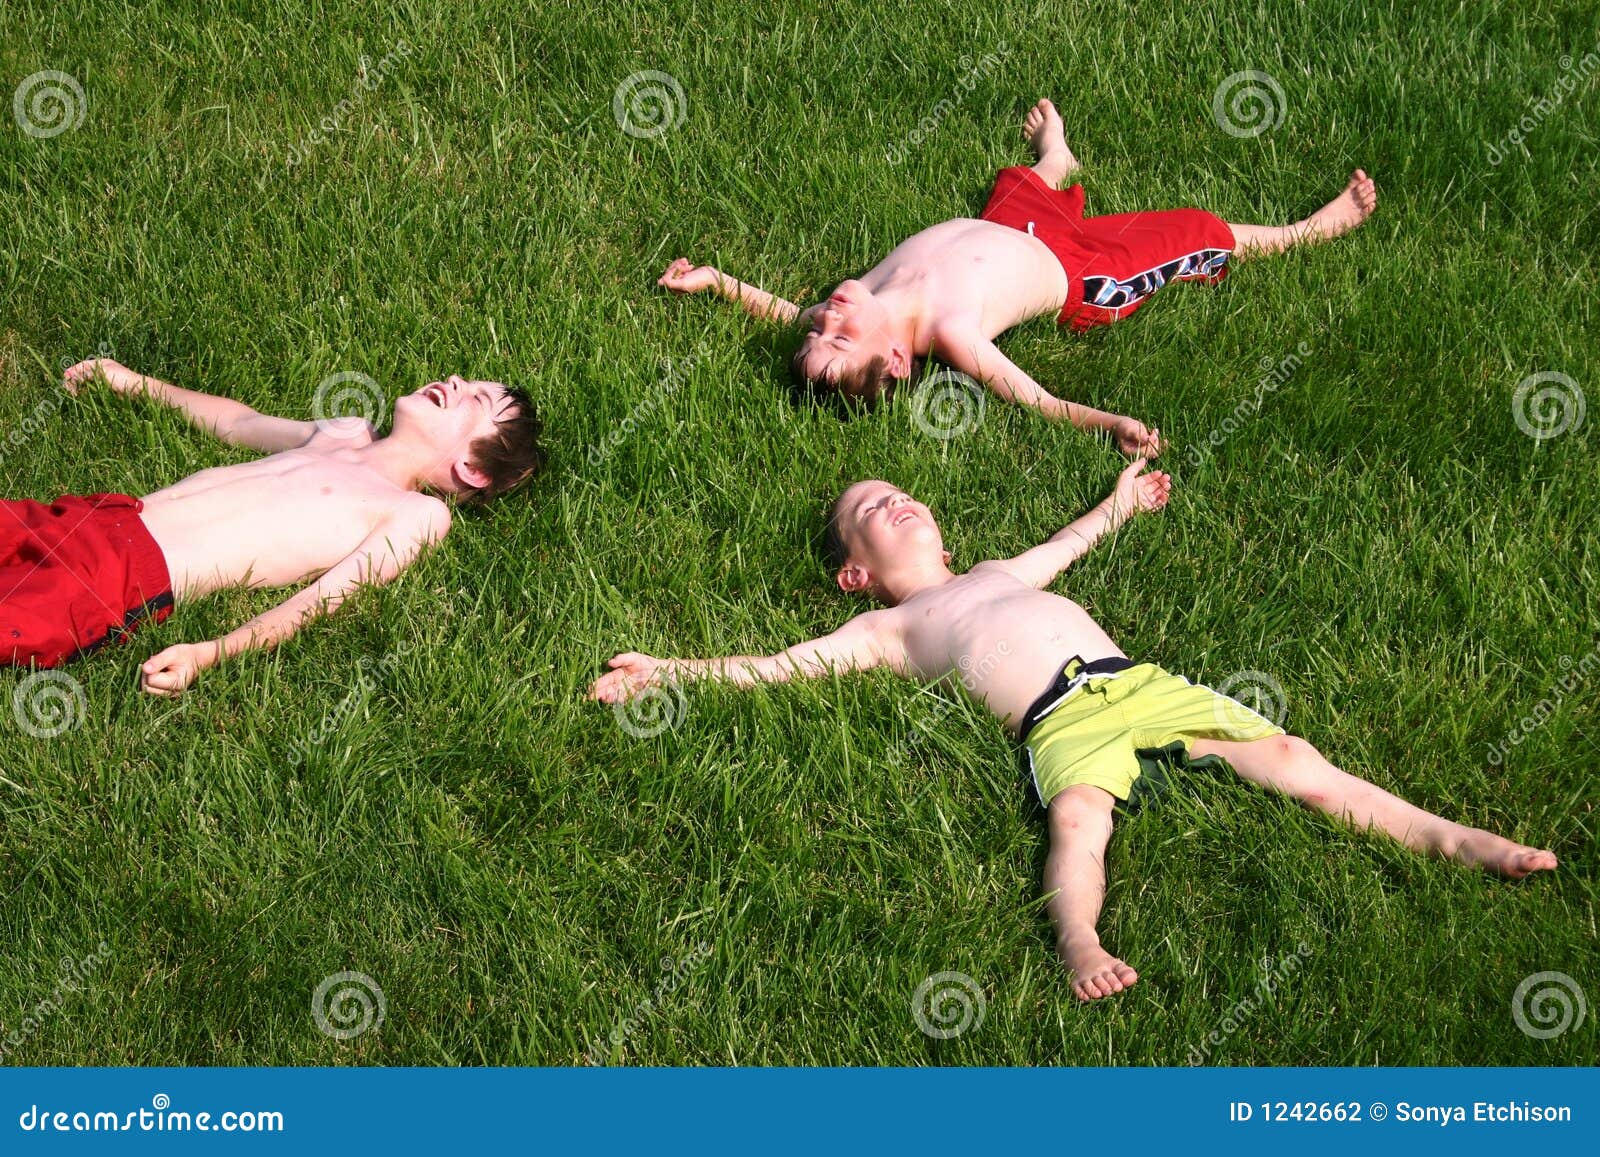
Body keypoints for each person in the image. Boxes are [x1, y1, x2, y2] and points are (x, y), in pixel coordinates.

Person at [589, 462, 1556, 1001]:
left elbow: (1067, 544)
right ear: (855, 573)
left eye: (897, 491)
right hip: (1055, 721)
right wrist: (667, 671)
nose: (892, 501)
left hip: (1137, 683)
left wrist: (1120, 502)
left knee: (1294, 756)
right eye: (867, 512)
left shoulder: (996, 571)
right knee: (1078, 821)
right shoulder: (885, 630)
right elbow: (778, 665)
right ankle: (1082, 939)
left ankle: (1451, 837)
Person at [657, 98, 1378, 455]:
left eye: (818, 330)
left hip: (1016, 225)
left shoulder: (864, 301)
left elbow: (787, 313)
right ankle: (1306, 231)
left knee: (1024, 182)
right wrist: (1112, 424)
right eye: (838, 337)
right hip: (1081, 273)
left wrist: (718, 281)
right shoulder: (950, 331)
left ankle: (1056, 158)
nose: (824, 317)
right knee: (1191, 230)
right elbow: (1039, 400)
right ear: (899, 361)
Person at [2, 358, 544, 693]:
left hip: (123, 578)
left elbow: (320, 600)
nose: (456, 380)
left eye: (476, 399)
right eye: (467, 379)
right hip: (98, 516)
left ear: (471, 470)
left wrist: (209, 652)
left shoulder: (416, 514)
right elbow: (239, 422)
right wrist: (131, 381)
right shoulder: (346, 429)